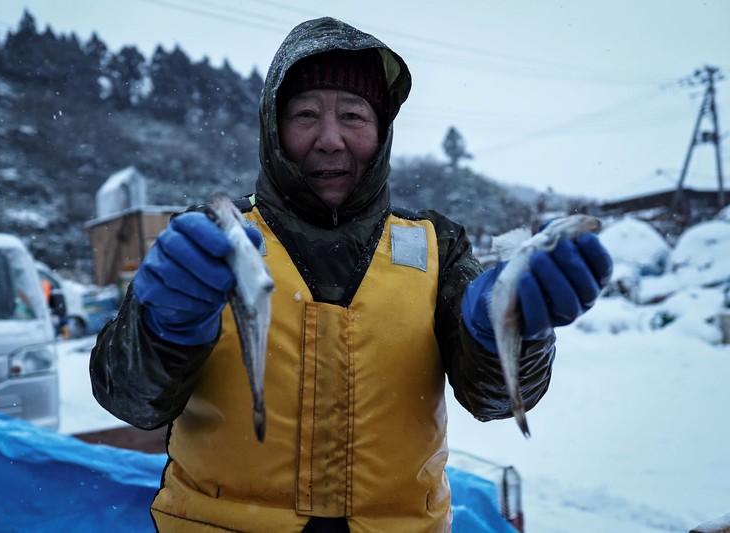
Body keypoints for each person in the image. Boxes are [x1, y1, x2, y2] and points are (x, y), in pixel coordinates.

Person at [90, 17, 612, 532]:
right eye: (305, 114)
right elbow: (130, 398)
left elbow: (493, 397)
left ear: (382, 131)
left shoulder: (438, 245)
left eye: (355, 116)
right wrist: (161, 326)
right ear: (273, 126)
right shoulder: (204, 244)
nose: (330, 139)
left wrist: (512, 325)